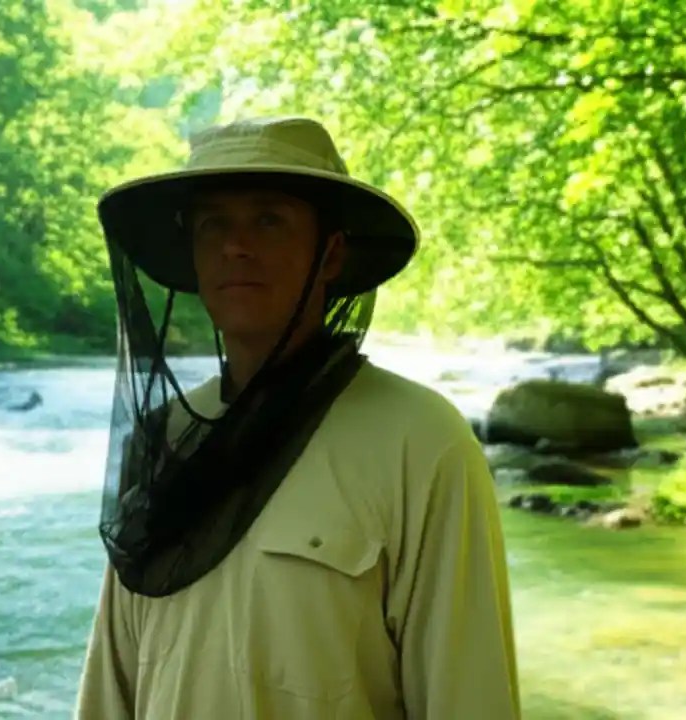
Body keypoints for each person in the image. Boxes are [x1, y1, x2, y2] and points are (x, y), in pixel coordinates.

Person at [75, 116, 520, 719]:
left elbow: (469, 695)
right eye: (214, 224)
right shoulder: (164, 436)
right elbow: (113, 681)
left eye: (268, 219)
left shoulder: (422, 441)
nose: (237, 245)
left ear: (330, 253)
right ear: (194, 254)